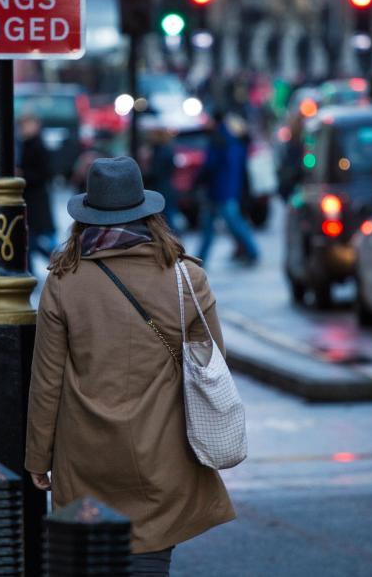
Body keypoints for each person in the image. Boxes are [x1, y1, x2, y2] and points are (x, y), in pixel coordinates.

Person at [26, 157, 236, 576]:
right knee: (150, 557)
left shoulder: (64, 281)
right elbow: (212, 360)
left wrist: (37, 457)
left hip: (84, 455)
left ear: (87, 216)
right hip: (161, 451)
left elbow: (47, 380)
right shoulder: (185, 278)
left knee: (86, 560)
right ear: (148, 213)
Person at [195, 113, 260, 266]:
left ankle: (252, 251)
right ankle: (251, 251)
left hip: (219, 191)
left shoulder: (219, 140)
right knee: (228, 223)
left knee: (225, 224)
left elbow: (210, 165)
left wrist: (199, 180)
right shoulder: (231, 139)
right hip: (226, 189)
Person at [17, 112, 55, 271]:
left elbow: (45, 173)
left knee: (31, 241)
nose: (23, 128)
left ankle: (56, 262)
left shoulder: (38, 145)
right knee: (29, 241)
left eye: (27, 124)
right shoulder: (26, 144)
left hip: (36, 202)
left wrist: (22, 174)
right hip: (31, 201)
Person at [144, 127, 179, 229]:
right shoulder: (166, 149)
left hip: (161, 189)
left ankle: (173, 242)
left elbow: (156, 172)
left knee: (167, 220)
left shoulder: (160, 151)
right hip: (167, 188)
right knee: (169, 219)